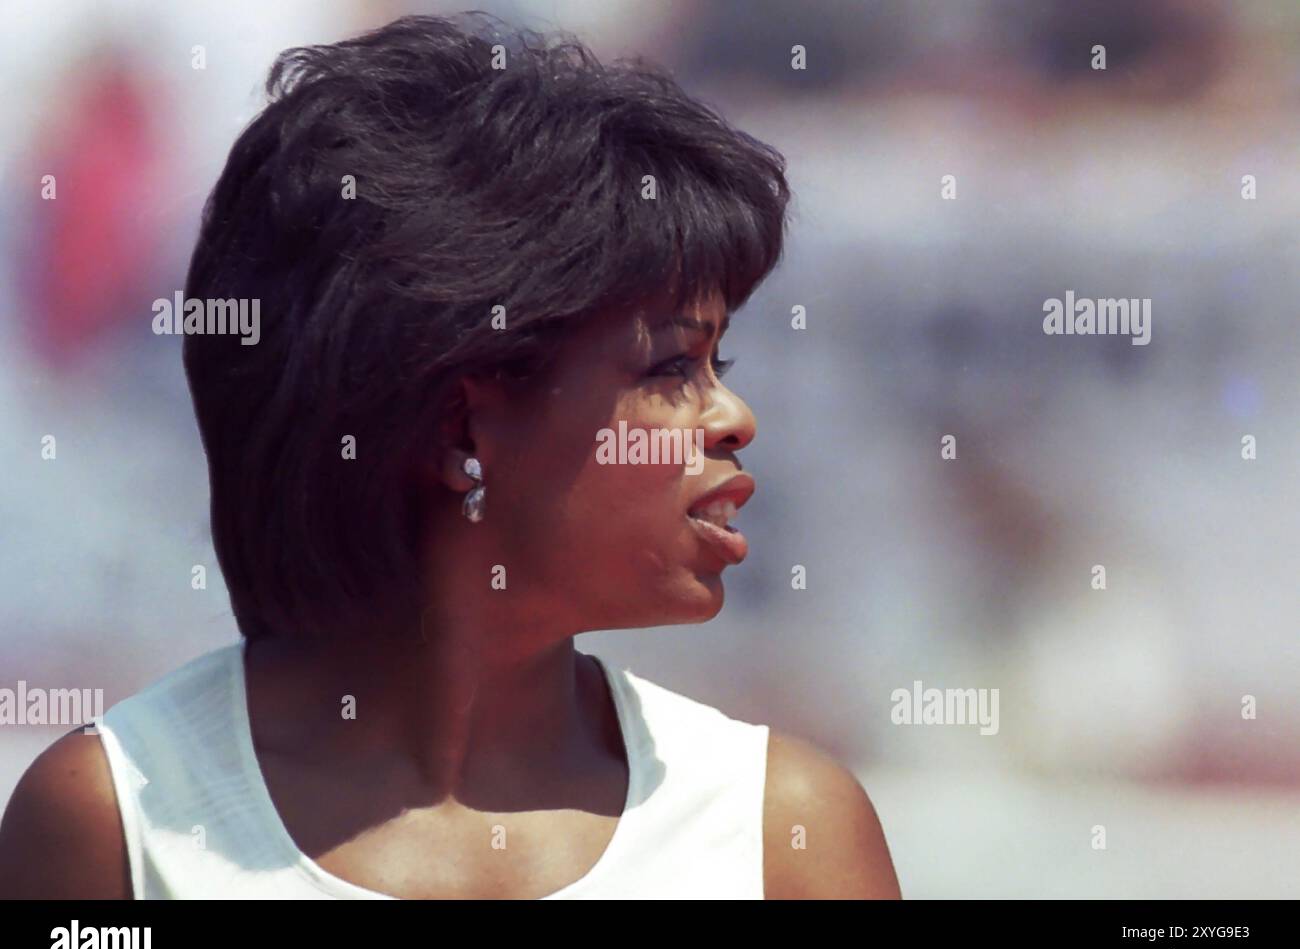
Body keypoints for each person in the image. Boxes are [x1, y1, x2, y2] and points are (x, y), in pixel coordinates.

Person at [0, 13, 900, 899]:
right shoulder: (116, 819)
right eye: (670, 365)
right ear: (460, 426)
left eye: (718, 361)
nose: (733, 418)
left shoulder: (784, 837)